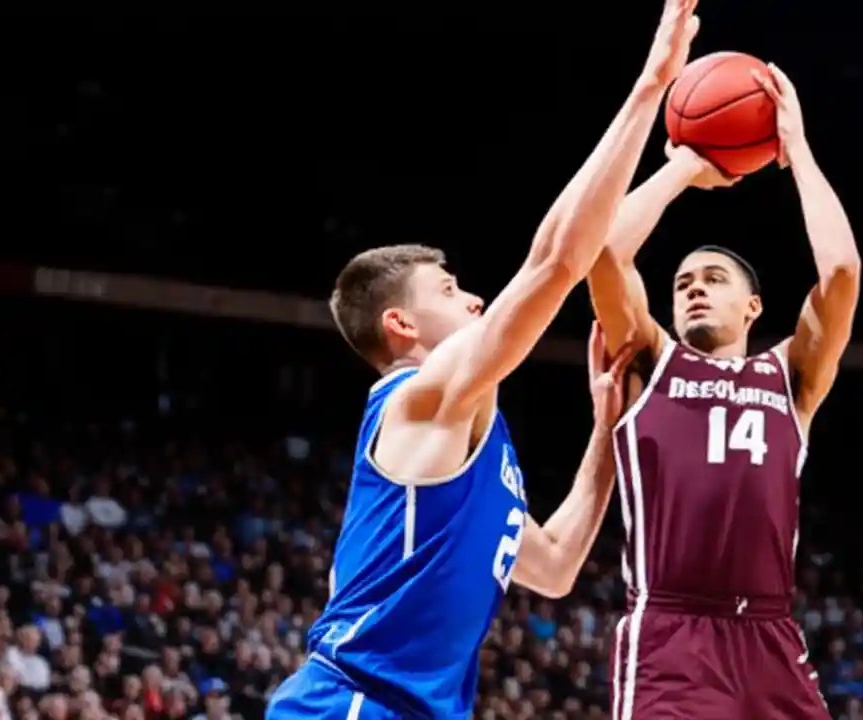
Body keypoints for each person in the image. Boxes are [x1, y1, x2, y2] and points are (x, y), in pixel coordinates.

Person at [265, 1, 702, 717]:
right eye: (449, 289)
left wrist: (605, 432)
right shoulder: (417, 399)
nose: (474, 300)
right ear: (401, 323)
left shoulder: (468, 440)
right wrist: (651, 87)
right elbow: (557, 260)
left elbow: (555, 565)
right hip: (351, 704)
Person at [587, 64, 861, 719]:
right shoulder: (650, 361)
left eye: (713, 279)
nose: (694, 289)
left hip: (770, 632)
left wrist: (797, 152)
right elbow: (603, 255)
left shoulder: (790, 375)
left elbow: (842, 271)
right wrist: (685, 165)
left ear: (753, 307)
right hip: (672, 635)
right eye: (683, 283)